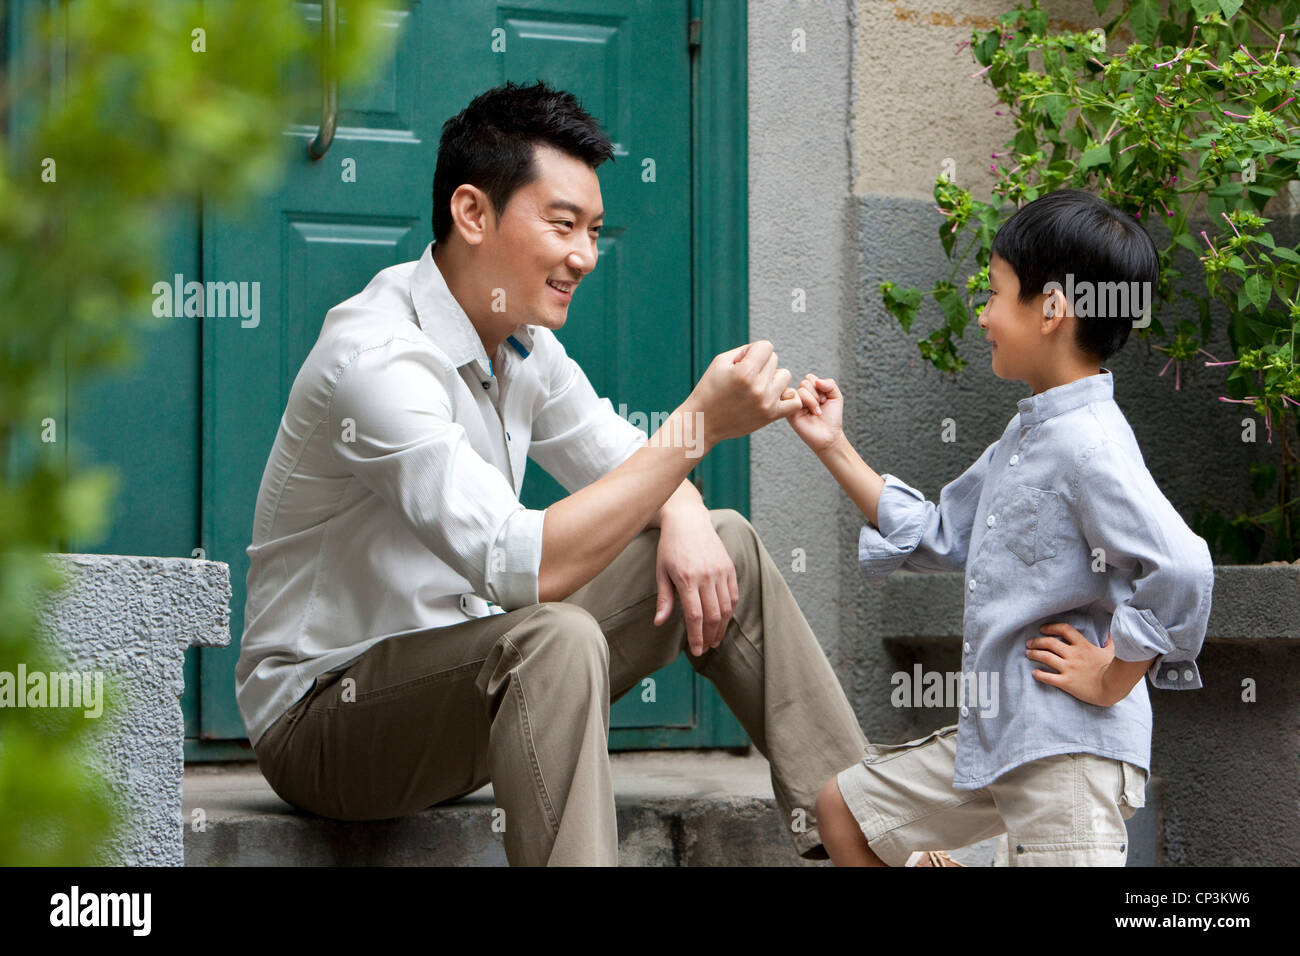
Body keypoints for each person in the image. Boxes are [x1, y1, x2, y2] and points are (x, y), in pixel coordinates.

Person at [235, 80, 871, 865]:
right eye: (562, 224)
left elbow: (630, 468)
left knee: (726, 539)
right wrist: (699, 426)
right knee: (555, 634)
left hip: (468, 690)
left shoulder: (523, 341)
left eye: (595, 230)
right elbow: (523, 566)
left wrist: (682, 509)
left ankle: (871, 840)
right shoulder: (376, 361)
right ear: (472, 213)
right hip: (328, 722)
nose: (585, 256)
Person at [790, 189, 1214, 867]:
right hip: (1001, 736)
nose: (982, 315)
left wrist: (1113, 675)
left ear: (1051, 310)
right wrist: (831, 446)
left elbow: (1184, 569)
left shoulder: (1091, 446)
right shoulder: (1028, 433)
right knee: (845, 811)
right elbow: (940, 536)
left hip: (1068, 753)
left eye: (993, 293)